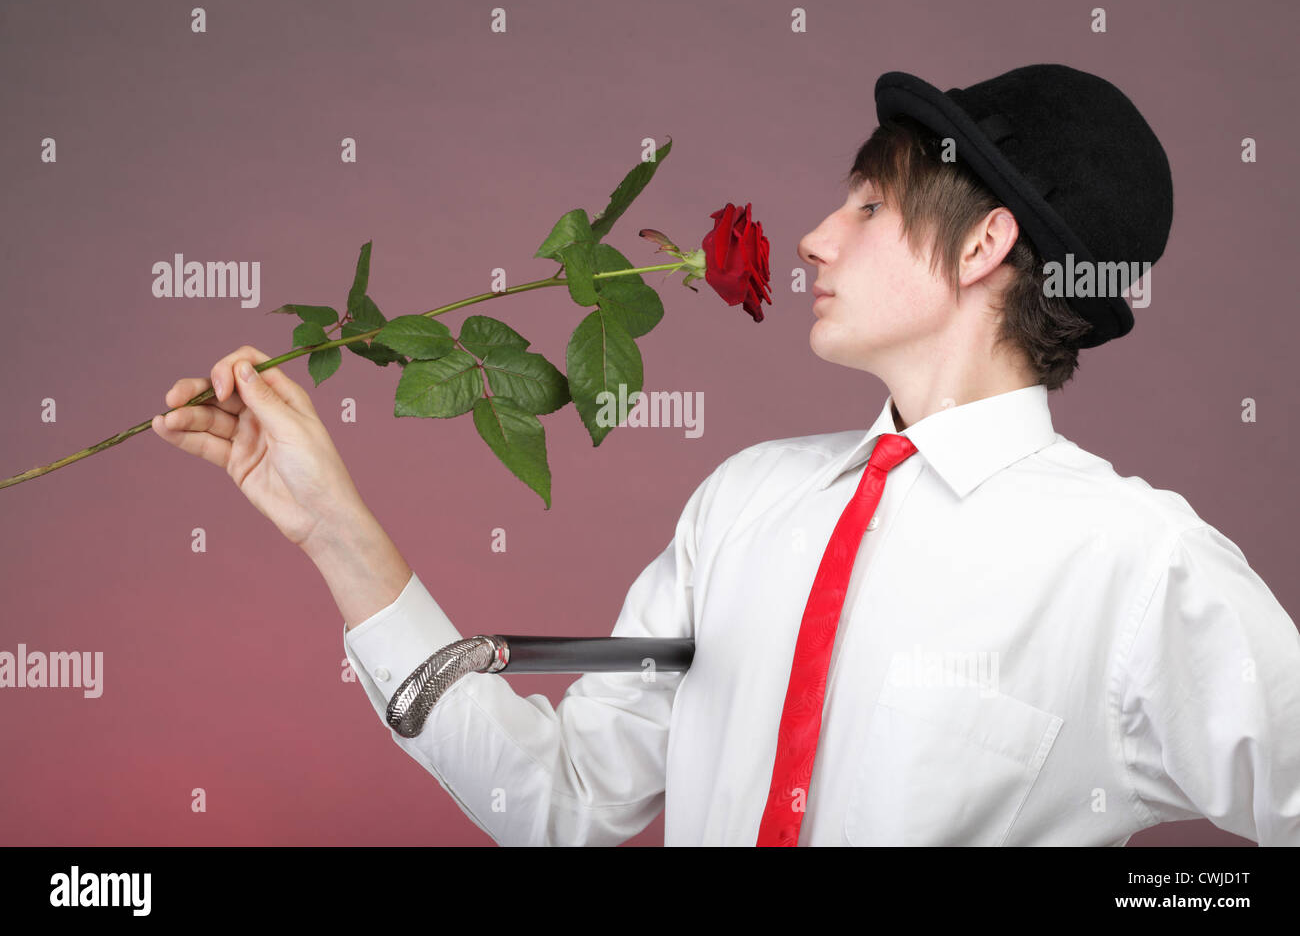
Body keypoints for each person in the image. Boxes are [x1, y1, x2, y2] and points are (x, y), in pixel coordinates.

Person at [151, 63, 1300, 846]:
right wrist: (334, 530)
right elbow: (553, 801)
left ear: (984, 242)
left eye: (865, 204)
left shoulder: (1136, 563)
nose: (811, 236)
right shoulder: (743, 504)